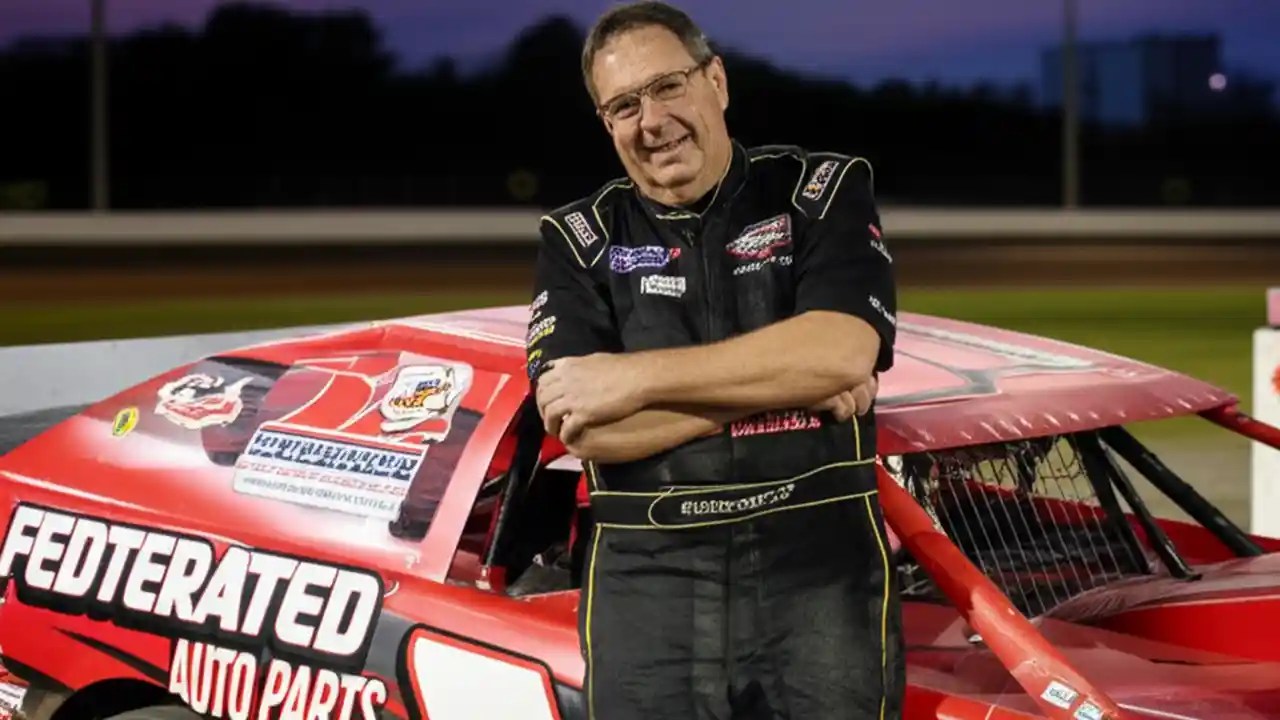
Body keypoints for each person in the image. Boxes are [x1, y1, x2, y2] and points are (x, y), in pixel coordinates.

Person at [525, 2, 903, 718]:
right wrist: (788, 383)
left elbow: (843, 349)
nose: (652, 121)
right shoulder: (576, 239)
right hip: (649, 585)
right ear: (607, 124)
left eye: (668, 86)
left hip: (819, 571)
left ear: (717, 82)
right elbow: (585, 425)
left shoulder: (818, 192)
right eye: (624, 105)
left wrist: (630, 377)